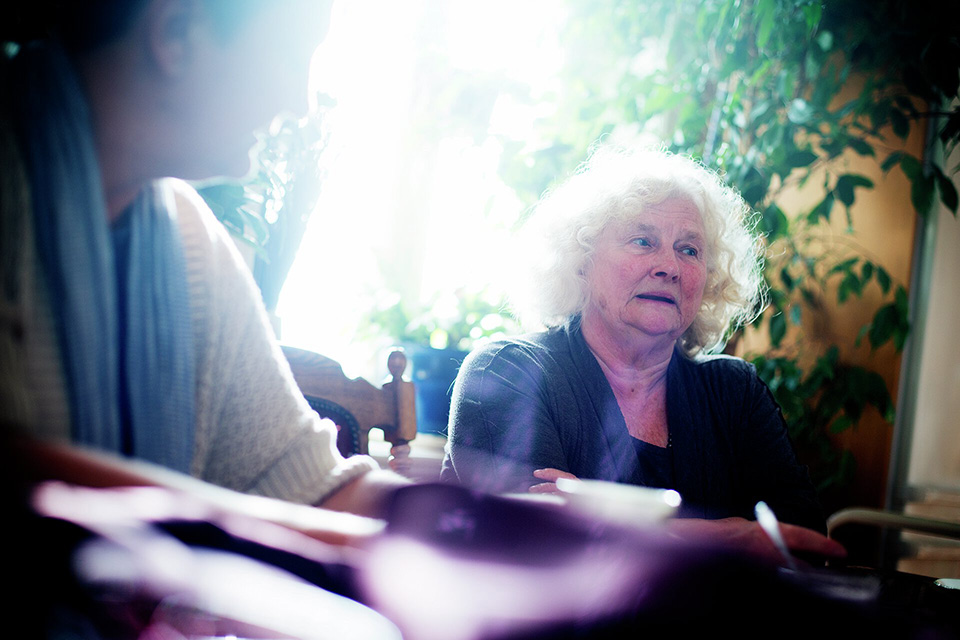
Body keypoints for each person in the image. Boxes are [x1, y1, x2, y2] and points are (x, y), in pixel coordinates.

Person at [0, 0, 406, 530]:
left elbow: (306, 483)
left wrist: (471, 520)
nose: (301, 102)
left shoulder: (190, 241)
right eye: (288, 53)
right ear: (176, 34)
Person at [440, 146, 845, 559]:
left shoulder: (735, 392)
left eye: (689, 250)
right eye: (643, 241)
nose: (668, 265)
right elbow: (540, 540)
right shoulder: (508, 372)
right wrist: (740, 535)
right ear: (581, 261)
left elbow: (804, 534)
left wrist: (604, 518)